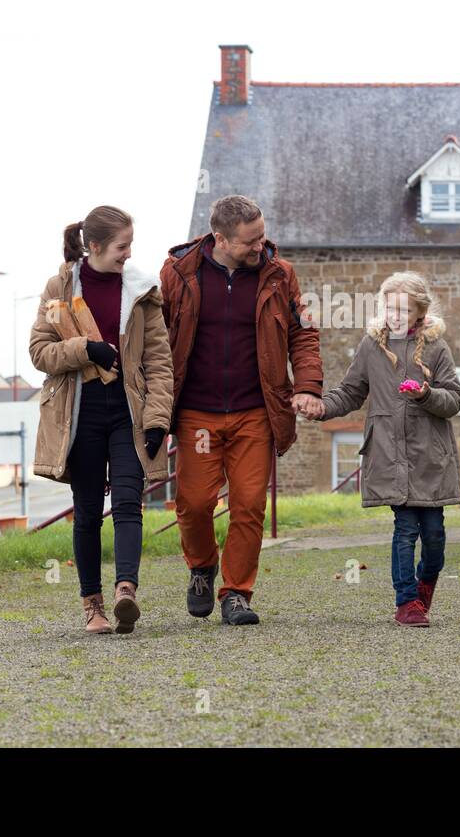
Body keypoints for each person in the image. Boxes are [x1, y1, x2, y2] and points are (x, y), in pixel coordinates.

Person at [160, 194, 322, 625]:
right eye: (250, 241)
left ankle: (236, 593)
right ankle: (201, 567)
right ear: (220, 238)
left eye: (262, 237)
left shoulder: (280, 275)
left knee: (249, 504)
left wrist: (307, 386)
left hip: (256, 410)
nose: (260, 247)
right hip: (197, 411)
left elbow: (304, 334)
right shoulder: (178, 274)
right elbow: (157, 338)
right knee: (194, 503)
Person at [28, 205, 174, 635]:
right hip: (80, 412)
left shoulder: (143, 292)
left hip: (128, 412)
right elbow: (39, 354)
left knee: (130, 502)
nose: (127, 254)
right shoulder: (59, 289)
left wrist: (157, 420)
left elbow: (159, 363)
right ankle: (92, 607)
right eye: (120, 246)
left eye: (130, 245)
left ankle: (126, 590)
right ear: (93, 247)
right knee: (89, 510)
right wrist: (85, 350)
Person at [300, 271, 460, 627]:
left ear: (420, 312)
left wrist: (426, 394)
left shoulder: (436, 348)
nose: (395, 316)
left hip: (429, 459)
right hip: (389, 456)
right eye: (390, 308)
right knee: (405, 529)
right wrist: (323, 407)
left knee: (434, 537)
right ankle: (406, 602)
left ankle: (425, 581)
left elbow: (454, 399)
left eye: (404, 310)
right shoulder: (372, 346)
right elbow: (350, 391)